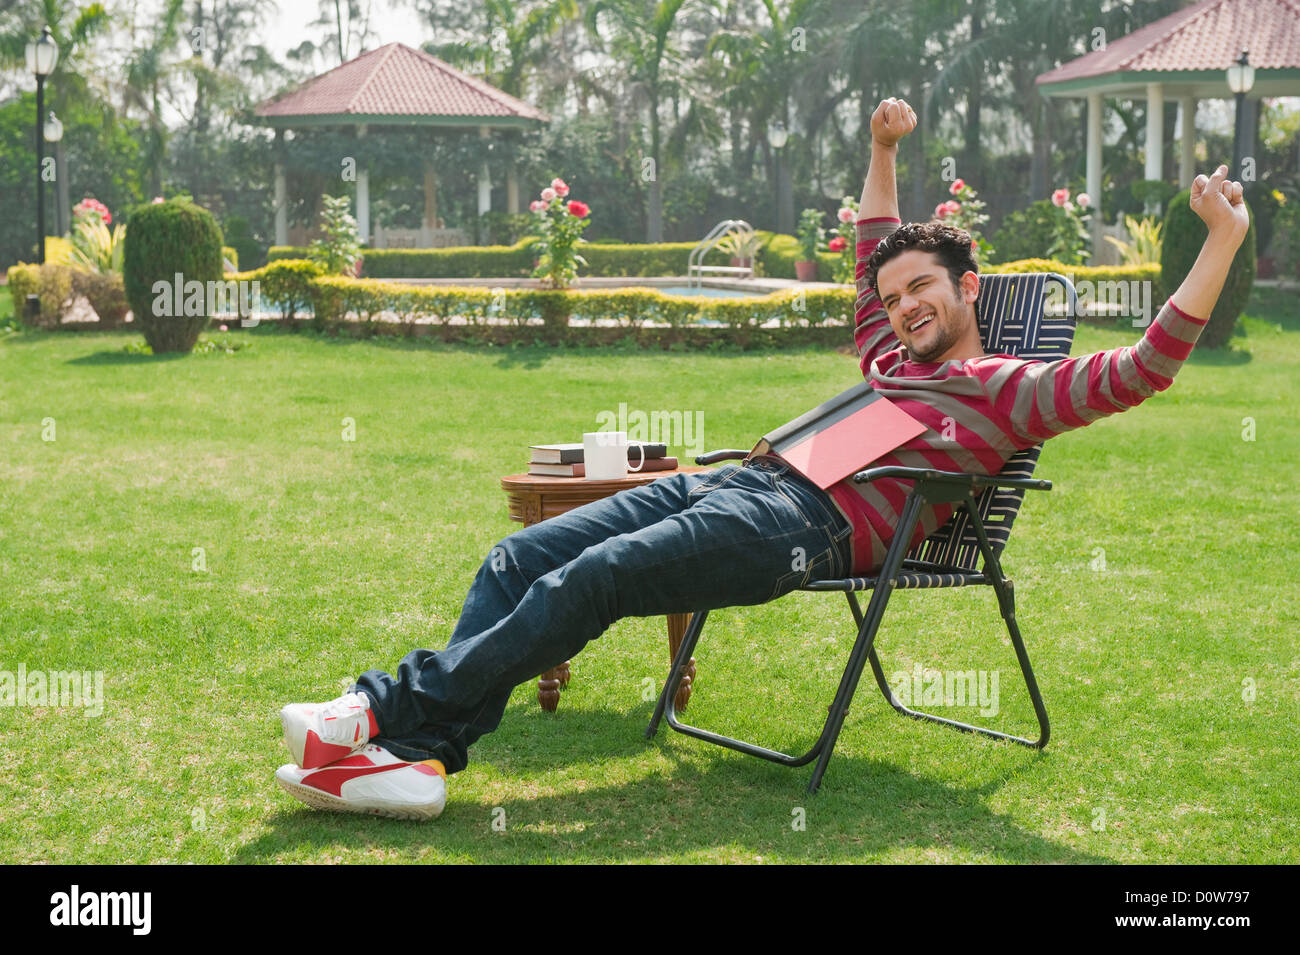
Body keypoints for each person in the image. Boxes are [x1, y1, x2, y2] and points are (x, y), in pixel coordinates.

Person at [274, 97, 1250, 819]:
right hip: (749, 478)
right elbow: (874, 234)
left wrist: (1219, 241)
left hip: (803, 527)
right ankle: (419, 763)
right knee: (515, 555)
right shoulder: (884, 353)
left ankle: (372, 710)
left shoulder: (1005, 393)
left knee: (597, 576)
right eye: (895, 292)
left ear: (968, 288)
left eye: (924, 288)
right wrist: (880, 146)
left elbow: (1142, 367)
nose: (905, 303)